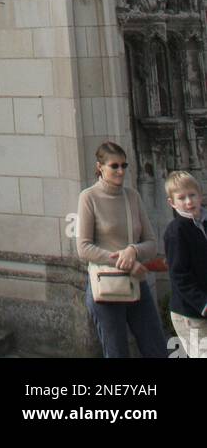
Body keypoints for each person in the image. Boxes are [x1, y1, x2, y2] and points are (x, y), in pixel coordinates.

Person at [76, 140, 168, 358]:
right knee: (117, 352)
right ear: (100, 167)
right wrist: (123, 260)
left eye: (124, 165)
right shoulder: (88, 197)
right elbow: (84, 248)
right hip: (105, 285)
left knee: (156, 348)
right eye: (114, 166)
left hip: (136, 282)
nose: (120, 171)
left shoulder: (132, 196)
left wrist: (133, 251)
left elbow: (151, 243)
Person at [163, 171, 207, 358]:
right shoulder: (176, 231)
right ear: (172, 203)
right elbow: (179, 275)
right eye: (181, 198)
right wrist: (203, 303)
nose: (189, 202)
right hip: (190, 313)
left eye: (192, 195)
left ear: (200, 195)